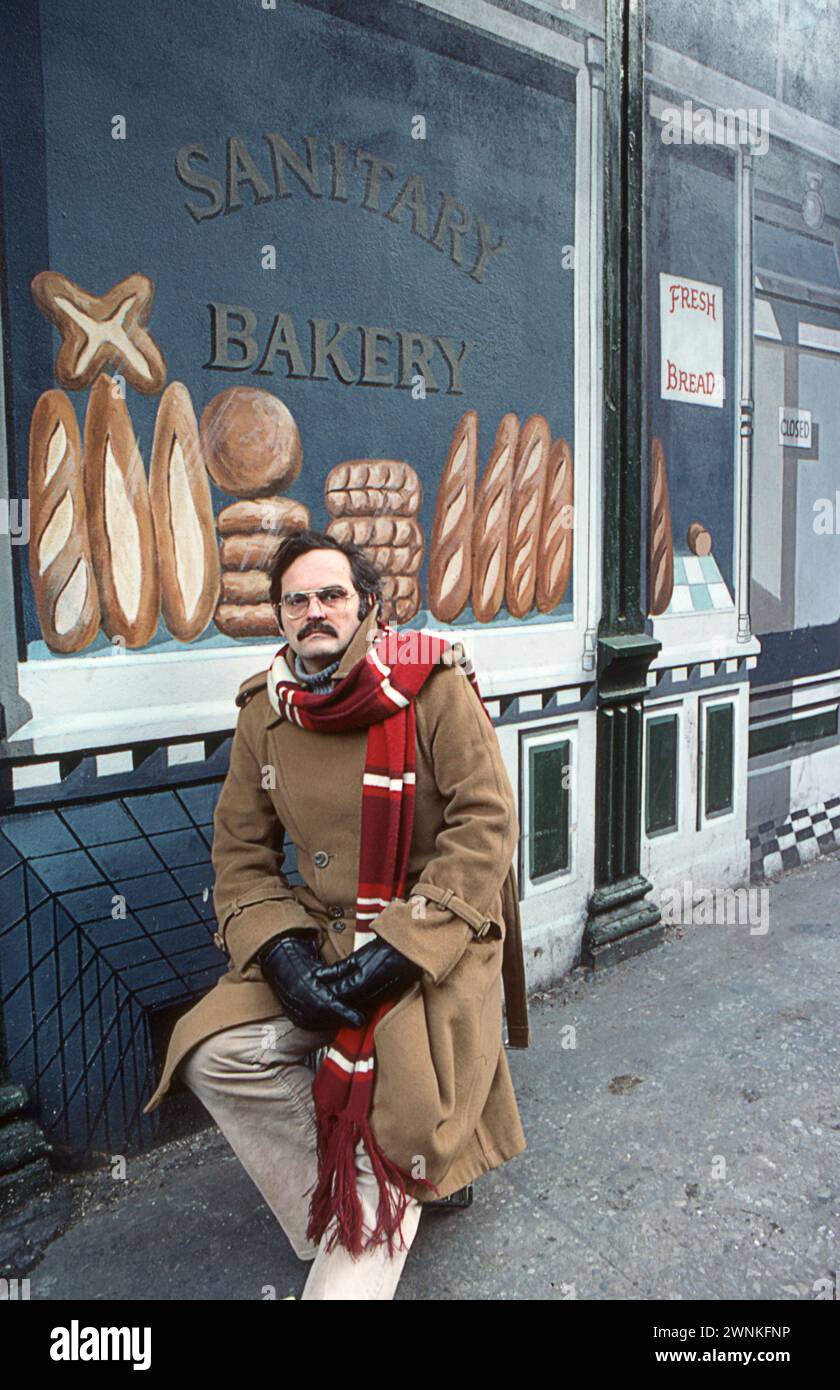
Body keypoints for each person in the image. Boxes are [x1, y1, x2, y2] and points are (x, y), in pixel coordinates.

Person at [142, 528, 530, 1300]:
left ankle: (371, 1208)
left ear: (367, 606)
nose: (313, 611)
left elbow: (486, 828)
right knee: (216, 1053)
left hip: (431, 937)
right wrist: (281, 951)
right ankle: (343, 1215)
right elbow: (241, 855)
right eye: (296, 599)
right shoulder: (264, 712)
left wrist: (396, 948)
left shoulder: (432, 685)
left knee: (402, 1113)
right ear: (278, 616)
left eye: (331, 596)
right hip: (322, 936)